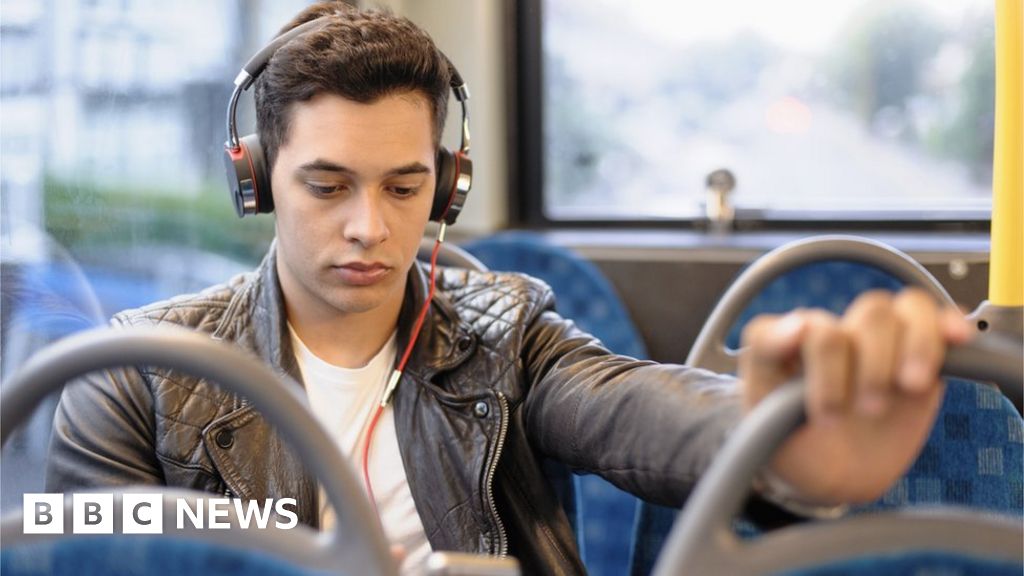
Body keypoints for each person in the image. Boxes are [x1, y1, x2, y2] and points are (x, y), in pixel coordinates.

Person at [45, 3, 972, 574]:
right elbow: (89, 553)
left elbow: (639, 409)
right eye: (326, 186)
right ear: (256, 181)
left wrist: (786, 439)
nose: (370, 225)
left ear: (446, 187)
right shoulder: (138, 379)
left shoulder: (507, 333)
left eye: (405, 188)